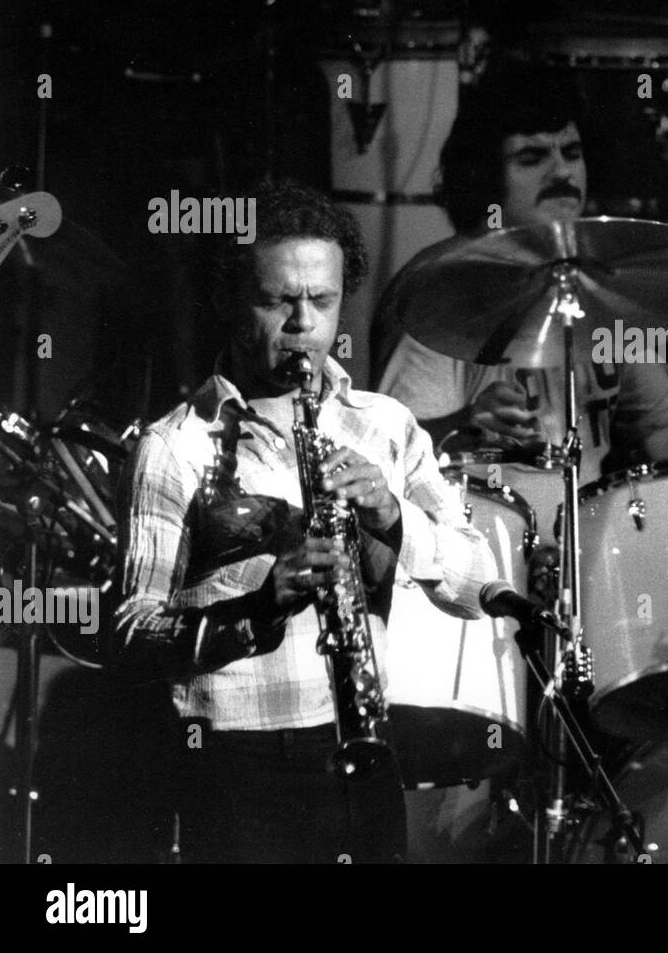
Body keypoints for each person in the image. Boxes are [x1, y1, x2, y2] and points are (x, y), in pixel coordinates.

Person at [110, 180, 496, 863]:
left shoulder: (386, 425)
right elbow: (133, 633)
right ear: (233, 302)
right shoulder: (174, 446)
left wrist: (393, 515)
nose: (303, 326)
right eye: (278, 301)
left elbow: (476, 588)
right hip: (236, 767)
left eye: (322, 301)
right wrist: (257, 608)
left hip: (362, 743)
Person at [372, 68, 668, 483]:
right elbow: (390, 451)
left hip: (588, 525)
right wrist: (467, 424)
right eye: (532, 158)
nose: (563, 173)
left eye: (572, 153)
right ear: (483, 175)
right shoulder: (443, 293)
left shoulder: (601, 281)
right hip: (475, 524)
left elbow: (666, 428)